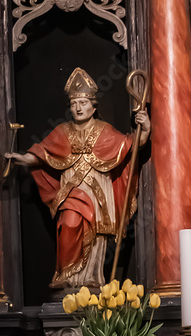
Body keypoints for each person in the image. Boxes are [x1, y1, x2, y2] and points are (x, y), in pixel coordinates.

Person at [5, 67, 150, 290]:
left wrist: (146, 128)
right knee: (69, 222)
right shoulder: (63, 131)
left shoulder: (104, 130)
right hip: (72, 192)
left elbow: (132, 144)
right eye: (74, 104)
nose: (78, 108)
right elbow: (43, 154)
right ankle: (66, 275)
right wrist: (23, 158)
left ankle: (93, 277)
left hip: (98, 190)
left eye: (83, 103)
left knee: (98, 233)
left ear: (93, 106)